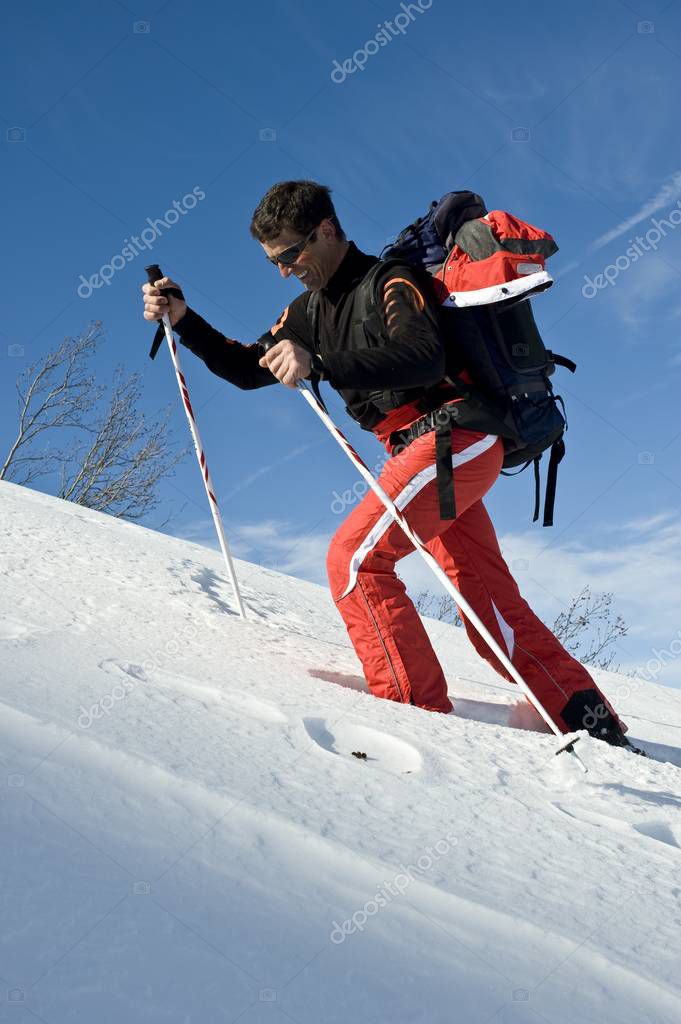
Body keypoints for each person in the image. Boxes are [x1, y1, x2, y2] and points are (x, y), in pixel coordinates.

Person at [142, 179, 632, 746]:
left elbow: (423, 356)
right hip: (427, 454)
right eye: (272, 261)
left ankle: (410, 722)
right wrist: (183, 317)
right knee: (488, 605)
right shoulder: (306, 311)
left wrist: (320, 360)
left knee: (354, 561)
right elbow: (251, 368)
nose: (283, 270)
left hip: (456, 434)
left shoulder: (391, 282)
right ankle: (592, 725)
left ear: (326, 230)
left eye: (289, 255)